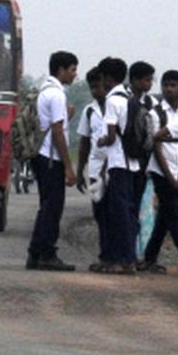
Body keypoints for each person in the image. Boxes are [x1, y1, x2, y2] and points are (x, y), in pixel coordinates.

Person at [26, 51, 79, 271]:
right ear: (61, 70)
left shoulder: (43, 91)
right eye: (73, 69)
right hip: (51, 158)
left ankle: (36, 253)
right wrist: (68, 166)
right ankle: (47, 253)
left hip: (41, 155)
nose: (75, 75)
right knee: (53, 208)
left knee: (46, 206)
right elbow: (58, 131)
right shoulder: (57, 95)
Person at [141, 70, 178, 275]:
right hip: (160, 169)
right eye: (166, 85)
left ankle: (149, 257)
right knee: (173, 214)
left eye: (173, 85)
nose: (169, 89)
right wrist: (171, 178)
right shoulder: (156, 114)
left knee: (165, 216)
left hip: (175, 168)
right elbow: (156, 146)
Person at [98, 57, 138, 274]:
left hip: (118, 162)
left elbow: (112, 137)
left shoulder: (112, 100)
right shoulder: (130, 97)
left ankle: (123, 259)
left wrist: (101, 141)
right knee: (129, 211)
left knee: (118, 212)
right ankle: (128, 257)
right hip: (132, 162)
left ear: (107, 78)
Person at [76, 67, 112, 272]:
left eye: (98, 86)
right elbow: (84, 142)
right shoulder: (89, 111)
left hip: (114, 170)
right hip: (95, 171)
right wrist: (81, 170)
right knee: (99, 214)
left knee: (113, 214)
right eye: (92, 87)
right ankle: (104, 255)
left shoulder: (117, 107)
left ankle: (114, 255)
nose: (95, 91)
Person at [126, 61, 157, 260]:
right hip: (131, 161)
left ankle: (136, 253)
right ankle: (130, 253)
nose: (149, 84)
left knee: (136, 209)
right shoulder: (129, 103)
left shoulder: (149, 103)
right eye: (146, 80)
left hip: (142, 162)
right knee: (130, 209)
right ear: (136, 80)